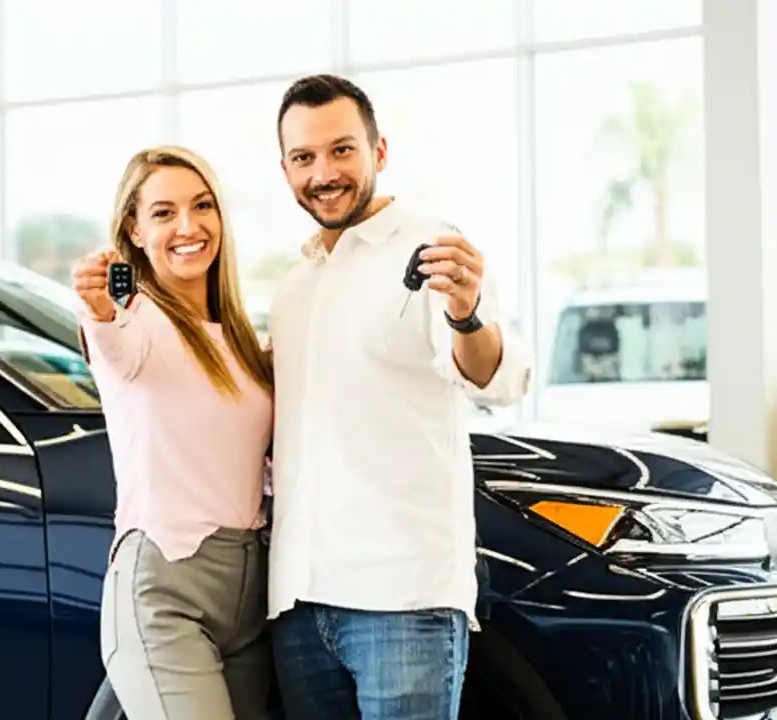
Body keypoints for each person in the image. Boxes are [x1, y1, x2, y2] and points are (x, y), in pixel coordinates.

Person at [264, 74, 534, 720]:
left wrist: (467, 313)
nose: (323, 173)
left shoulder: (432, 247)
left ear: (378, 151)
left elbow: (496, 380)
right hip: (299, 607)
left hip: (402, 602)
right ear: (285, 169)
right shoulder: (294, 289)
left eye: (341, 150)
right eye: (303, 157)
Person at [72, 145, 275, 720]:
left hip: (248, 598)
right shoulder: (134, 321)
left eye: (202, 206)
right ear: (133, 231)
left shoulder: (242, 339)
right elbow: (111, 337)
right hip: (165, 591)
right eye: (164, 213)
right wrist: (98, 305)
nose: (188, 226)